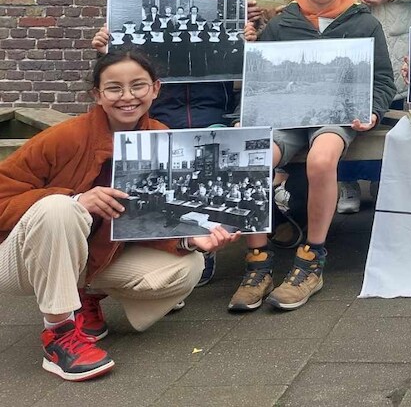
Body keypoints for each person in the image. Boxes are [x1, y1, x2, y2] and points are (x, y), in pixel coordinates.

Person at [0, 51, 239, 381]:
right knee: (60, 208)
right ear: (97, 95)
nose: (127, 97)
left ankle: (85, 296)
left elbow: (147, 214)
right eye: (114, 88)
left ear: (155, 89)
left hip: (94, 256)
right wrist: (76, 198)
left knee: (189, 265)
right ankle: (58, 334)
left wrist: (188, 236)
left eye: (138, 86)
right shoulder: (64, 137)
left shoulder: (160, 135)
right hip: (21, 260)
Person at [229, 0, 396, 312]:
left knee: (322, 160)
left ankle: (312, 259)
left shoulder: (364, 22)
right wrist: (247, 113)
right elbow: (259, 77)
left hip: (337, 115)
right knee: (252, 158)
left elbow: (383, 80)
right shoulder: (283, 23)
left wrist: (372, 111)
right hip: (286, 115)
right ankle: (259, 261)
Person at [91, 0, 238, 286]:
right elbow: (125, 65)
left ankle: (204, 251)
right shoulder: (149, 10)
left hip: (210, 111)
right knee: (163, 186)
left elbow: (246, 65)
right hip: (162, 113)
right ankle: (162, 251)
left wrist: (247, 40)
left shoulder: (231, 11)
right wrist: (106, 49)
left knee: (203, 182)